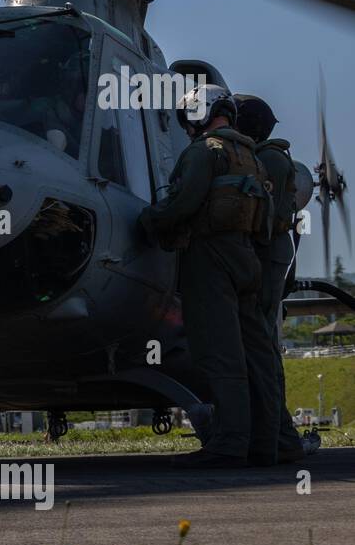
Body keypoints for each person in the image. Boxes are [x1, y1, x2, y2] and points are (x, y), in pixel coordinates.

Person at [138, 84, 279, 468]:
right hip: (247, 258)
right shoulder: (251, 156)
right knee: (258, 354)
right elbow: (266, 220)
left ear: (198, 113)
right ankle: (270, 443)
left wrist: (149, 221)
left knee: (221, 353)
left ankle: (230, 443)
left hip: (209, 257)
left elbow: (183, 203)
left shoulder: (203, 152)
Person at [232, 94, 322, 463]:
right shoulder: (270, 157)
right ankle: (274, 435)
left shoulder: (266, 160)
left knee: (262, 344)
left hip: (266, 257)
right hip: (271, 255)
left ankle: (273, 436)